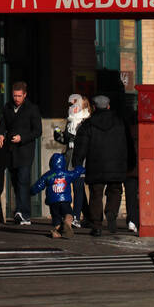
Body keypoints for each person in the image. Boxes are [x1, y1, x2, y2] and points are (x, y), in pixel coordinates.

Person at [72, 93, 127, 236]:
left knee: (96, 194)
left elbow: (81, 146)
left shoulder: (88, 124)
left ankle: (96, 224)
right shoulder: (119, 122)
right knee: (115, 190)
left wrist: (77, 162)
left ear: (94, 107)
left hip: (95, 164)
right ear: (108, 106)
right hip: (116, 164)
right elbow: (125, 144)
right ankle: (111, 212)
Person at [0, 81, 41, 225]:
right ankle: (19, 211)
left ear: (25, 95)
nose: (16, 98)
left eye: (19, 96)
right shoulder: (8, 107)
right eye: (14, 96)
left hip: (25, 151)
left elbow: (37, 131)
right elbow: (3, 123)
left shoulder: (32, 109)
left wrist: (22, 138)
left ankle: (24, 213)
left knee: (23, 181)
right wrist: (0, 134)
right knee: (15, 182)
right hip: (11, 151)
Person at [31, 152, 83, 239]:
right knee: (69, 213)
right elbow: (75, 173)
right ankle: (67, 222)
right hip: (65, 200)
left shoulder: (48, 175)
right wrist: (80, 168)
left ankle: (57, 231)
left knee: (56, 218)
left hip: (53, 201)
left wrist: (32, 191)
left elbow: (39, 185)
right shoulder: (67, 174)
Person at [65, 93, 91, 227]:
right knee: (77, 188)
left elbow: (85, 141)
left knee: (78, 187)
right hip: (70, 157)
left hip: (81, 158)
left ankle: (76, 217)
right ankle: (87, 215)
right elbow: (65, 139)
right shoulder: (70, 121)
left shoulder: (86, 122)